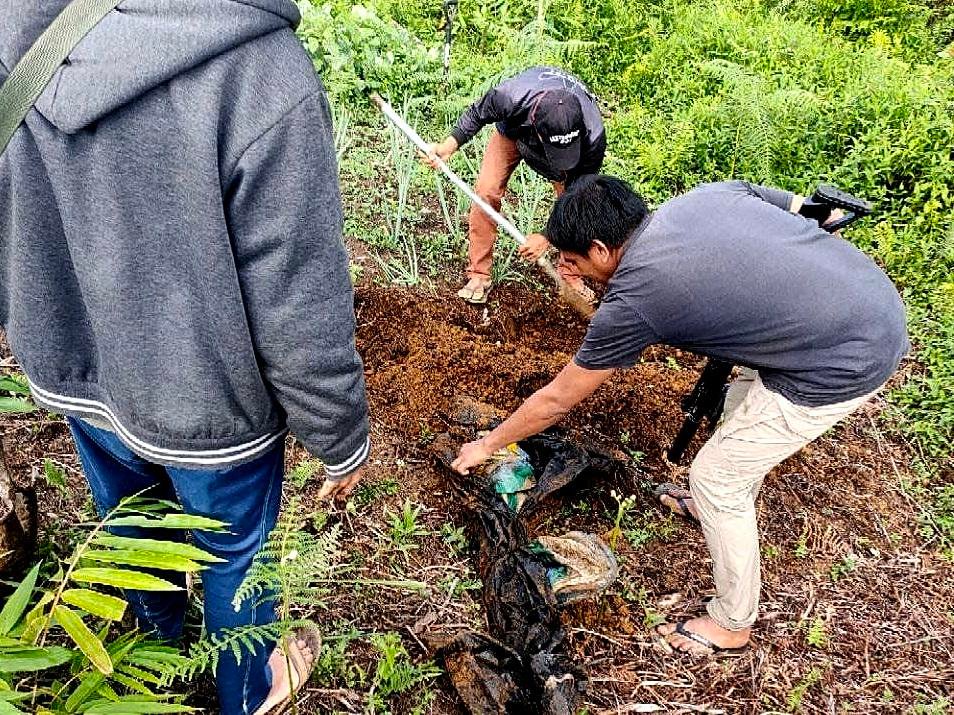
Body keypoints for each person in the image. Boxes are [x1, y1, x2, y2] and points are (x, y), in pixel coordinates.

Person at [0, 1, 368, 712]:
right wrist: (339, 438)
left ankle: (153, 672)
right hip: (208, 399)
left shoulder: (18, 26)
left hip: (80, 367)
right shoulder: (261, 72)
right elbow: (299, 291)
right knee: (236, 557)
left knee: (132, 525)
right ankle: (247, 693)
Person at [452, 175, 908, 656]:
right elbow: (802, 208)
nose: (570, 272)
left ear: (602, 249)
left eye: (573, 262)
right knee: (737, 410)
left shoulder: (636, 299)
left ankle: (732, 623)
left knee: (716, 479)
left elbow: (557, 400)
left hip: (846, 360)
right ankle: (714, 508)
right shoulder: (707, 197)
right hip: (865, 296)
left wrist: (487, 444)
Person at [425, 65, 605, 304]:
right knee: (486, 192)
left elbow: (577, 198)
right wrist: (449, 145)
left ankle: (569, 275)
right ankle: (479, 274)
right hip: (513, 134)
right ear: (539, 133)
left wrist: (548, 234)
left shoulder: (593, 135)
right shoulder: (511, 96)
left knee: (570, 205)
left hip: (570, 157)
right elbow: (477, 113)